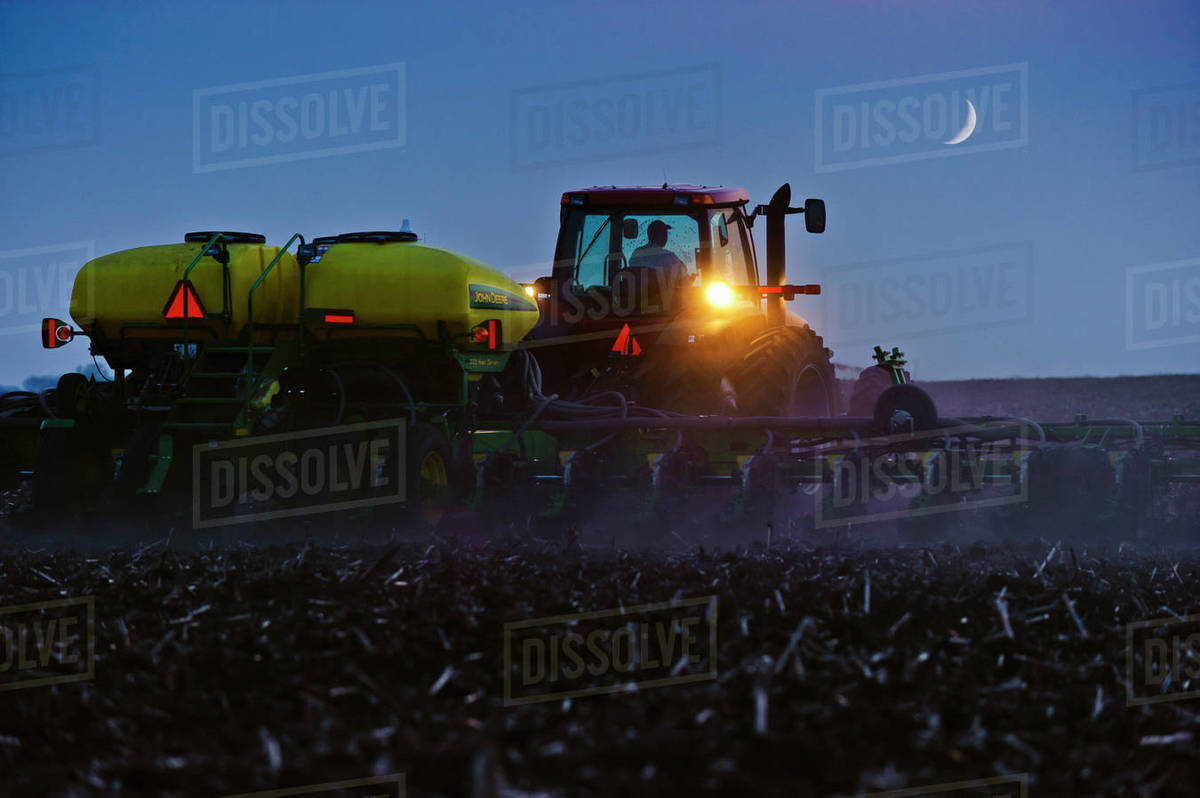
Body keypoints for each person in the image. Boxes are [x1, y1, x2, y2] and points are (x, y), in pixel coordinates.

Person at [628, 220, 688, 285]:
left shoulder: (637, 253)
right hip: (664, 294)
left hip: (637, 294)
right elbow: (682, 278)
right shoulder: (669, 257)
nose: (666, 237)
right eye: (664, 234)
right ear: (661, 236)